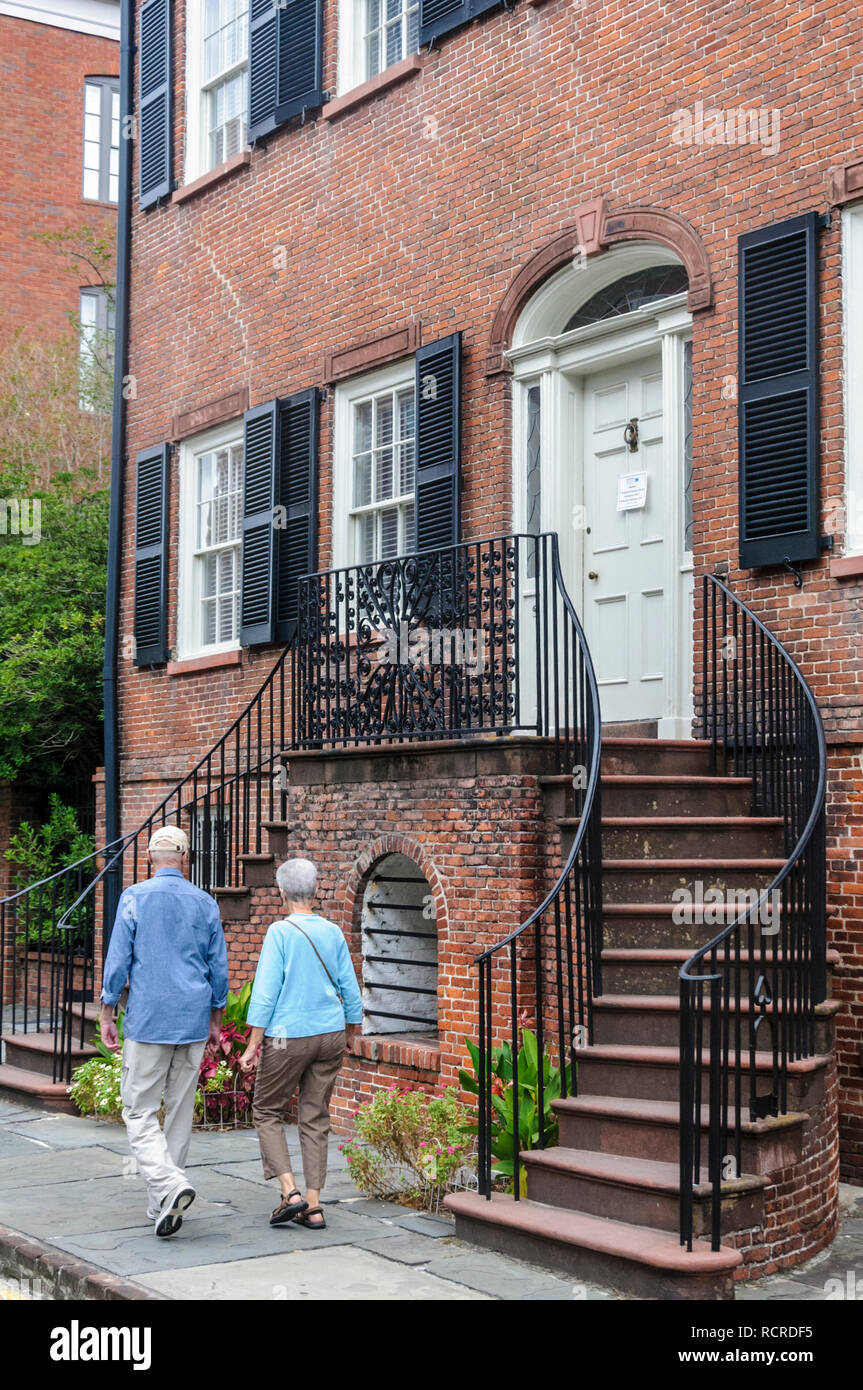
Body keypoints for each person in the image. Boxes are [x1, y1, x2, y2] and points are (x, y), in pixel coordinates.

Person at [99, 825, 229, 1238]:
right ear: (185, 857)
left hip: (149, 1018)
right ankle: (163, 1204)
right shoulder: (205, 902)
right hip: (191, 1019)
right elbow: (218, 968)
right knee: (178, 1112)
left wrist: (106, 1012)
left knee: (138, 1110)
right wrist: (215, 1021)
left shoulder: (134, 898)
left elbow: (118, 960)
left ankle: (169, 1185)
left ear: (152, 858)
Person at [239, 856, 362, 1230]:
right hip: (329, 1036)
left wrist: (251, 1046)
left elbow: (265, 994)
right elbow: (350, 988)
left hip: (287, 1037)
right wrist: (351, 1033)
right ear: (316, 891)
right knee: (315, 1116)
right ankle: (314, 1205)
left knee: (267, 1111)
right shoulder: (333, 932)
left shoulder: (280, 932)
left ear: (281, 894)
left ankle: (289, 1193)